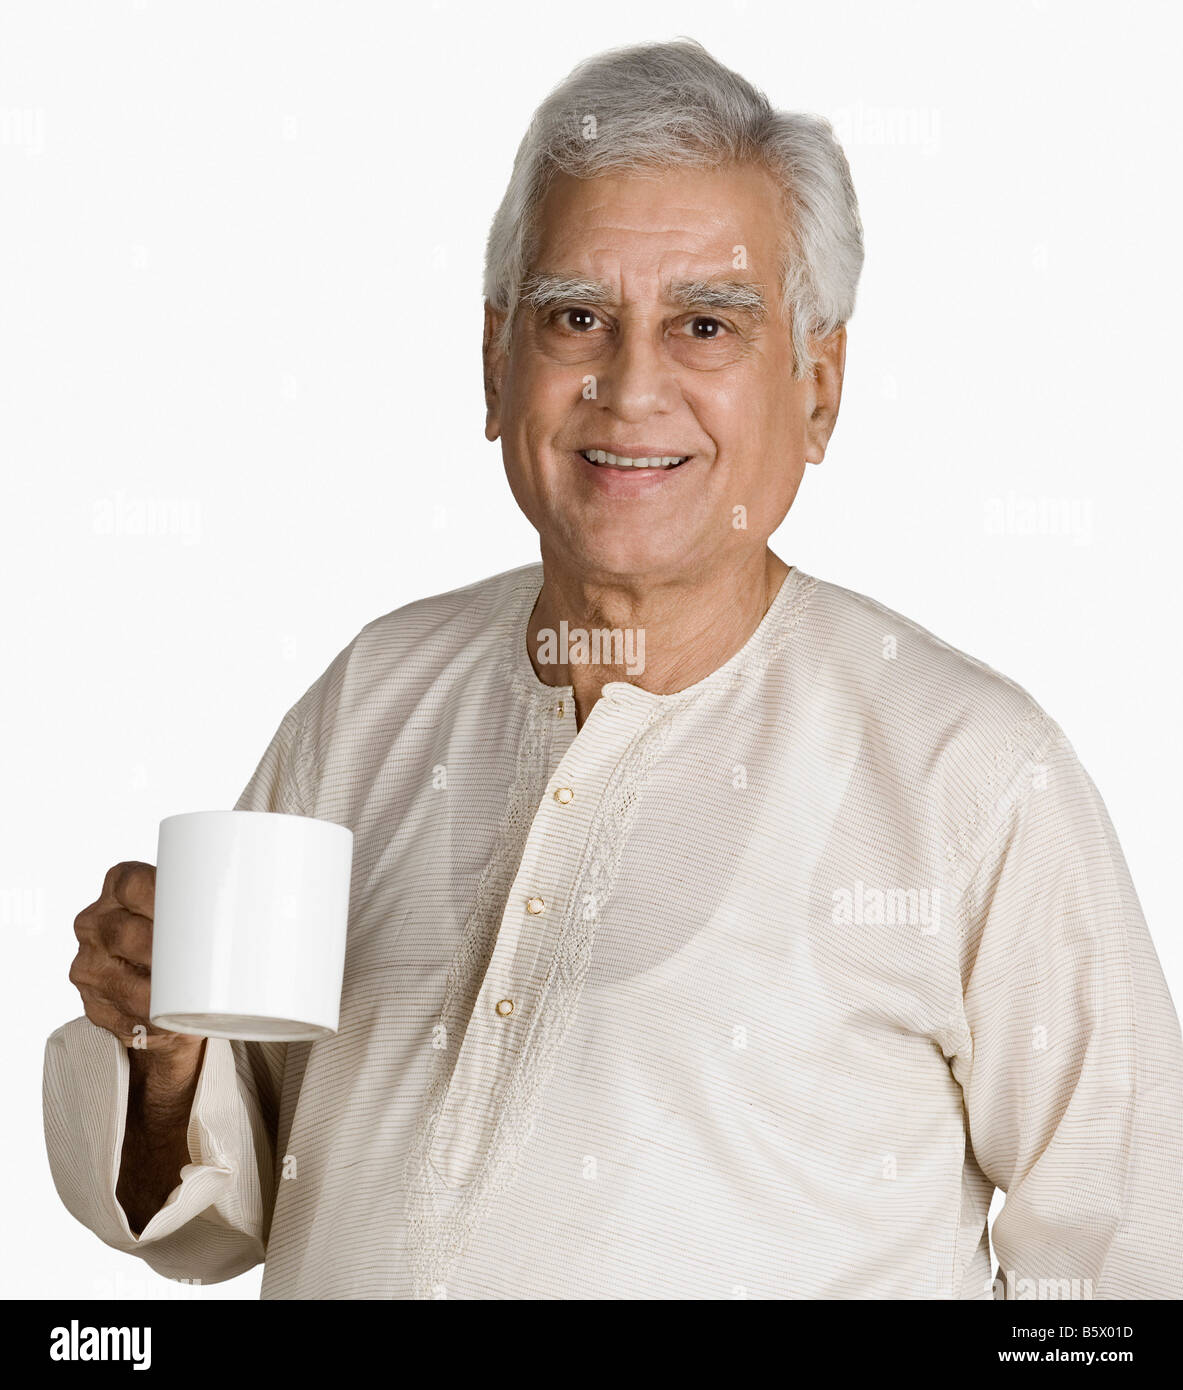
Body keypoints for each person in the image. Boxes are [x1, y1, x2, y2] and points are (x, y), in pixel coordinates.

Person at [45, 38, 1183, 1299]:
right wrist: (162, 1063)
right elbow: (216, 1205)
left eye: (707, 324)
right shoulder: (375, 695)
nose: (631, 386)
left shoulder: (966, 770)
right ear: (495, 362)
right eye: (576, 317)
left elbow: (1128, 1265)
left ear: (818, 385)